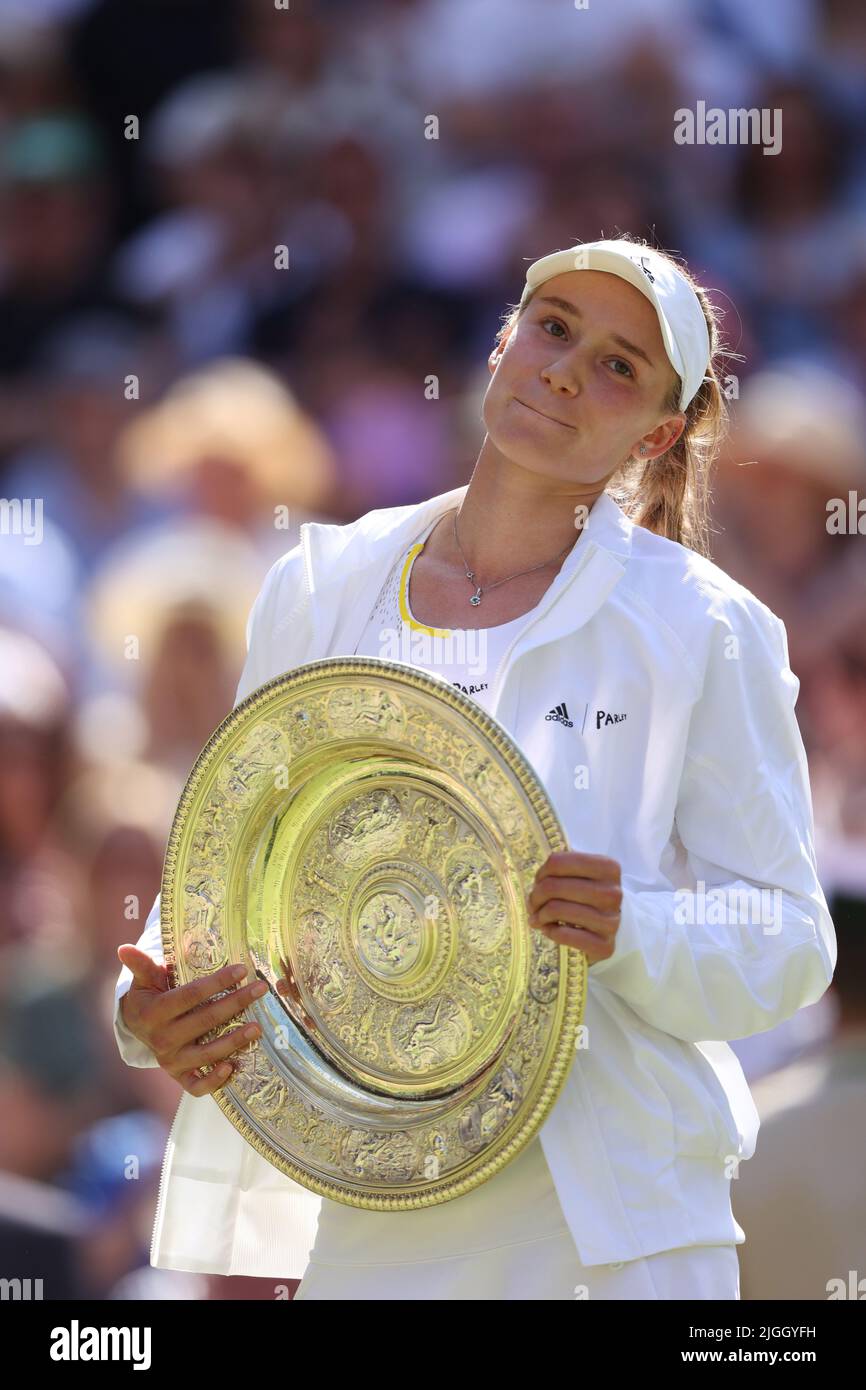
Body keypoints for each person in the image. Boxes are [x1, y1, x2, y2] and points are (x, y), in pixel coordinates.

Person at [114, 235, 836, 1300]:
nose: (563, 371)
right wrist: (154, 1012)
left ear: (660, 430)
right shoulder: (319, 582)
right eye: (551, 330)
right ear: (503, 342)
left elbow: (789, 939)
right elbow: (230, 858)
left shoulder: (708, 628)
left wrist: (632, 927)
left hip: (614, 1234)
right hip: (370, 1219)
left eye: (617, 365)